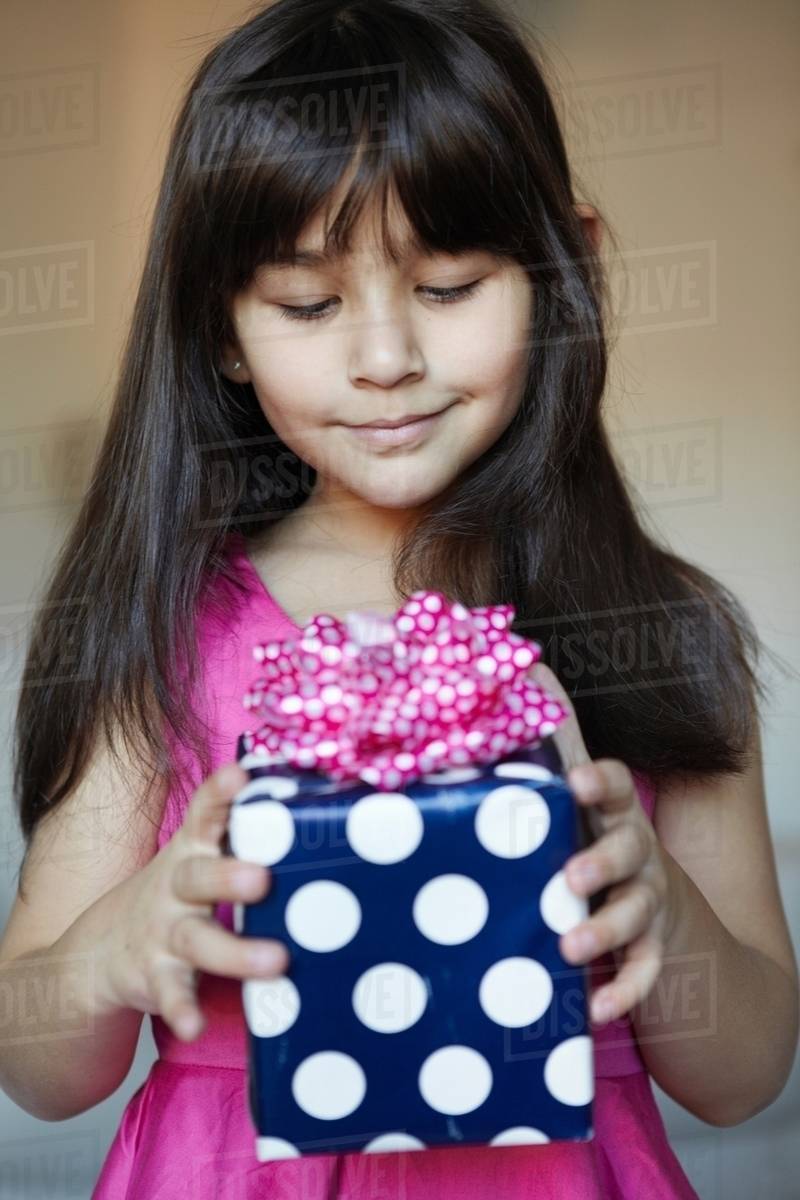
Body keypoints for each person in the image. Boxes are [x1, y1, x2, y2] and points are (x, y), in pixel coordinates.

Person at [1, 0, 797, 1196]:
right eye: (308, 305)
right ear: (222, 327)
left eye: (449, 284)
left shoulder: (656, 629)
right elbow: (38, 1064)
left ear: (562, 266)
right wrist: (117, 947)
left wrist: (658, 907)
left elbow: (742, 1076)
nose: (384, 359)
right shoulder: (171, 633)